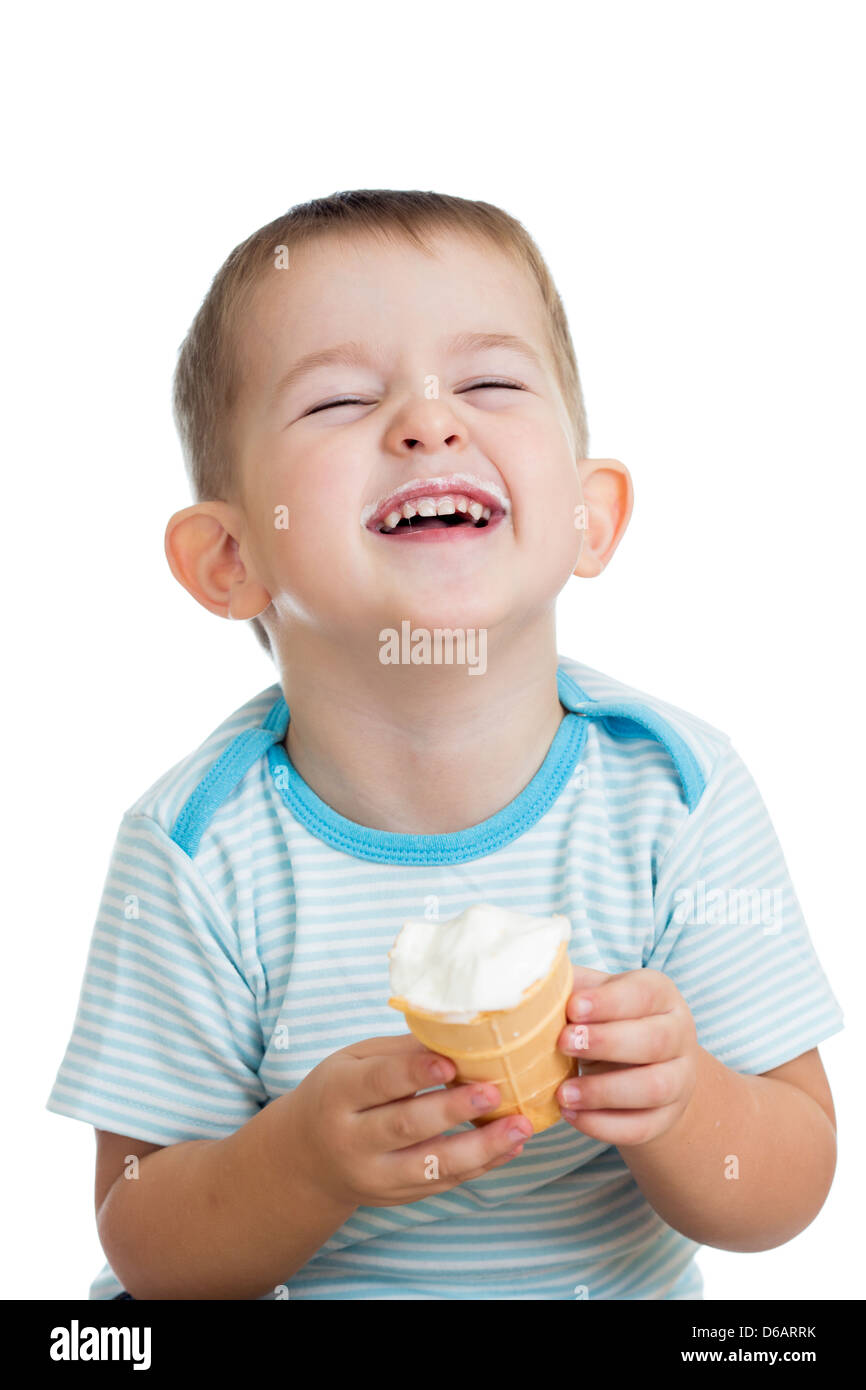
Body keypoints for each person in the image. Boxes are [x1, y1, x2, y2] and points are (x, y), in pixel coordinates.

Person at [46, 189, 842, 1300]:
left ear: (588, 513)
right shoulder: (196, 850)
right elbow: (145, 1240)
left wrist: (687, 1103)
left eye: (487, 383)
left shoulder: (671, 795)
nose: (429, 421)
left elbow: (789, 1184)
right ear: (230, 558)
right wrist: (299, 1163)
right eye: (339, 398)